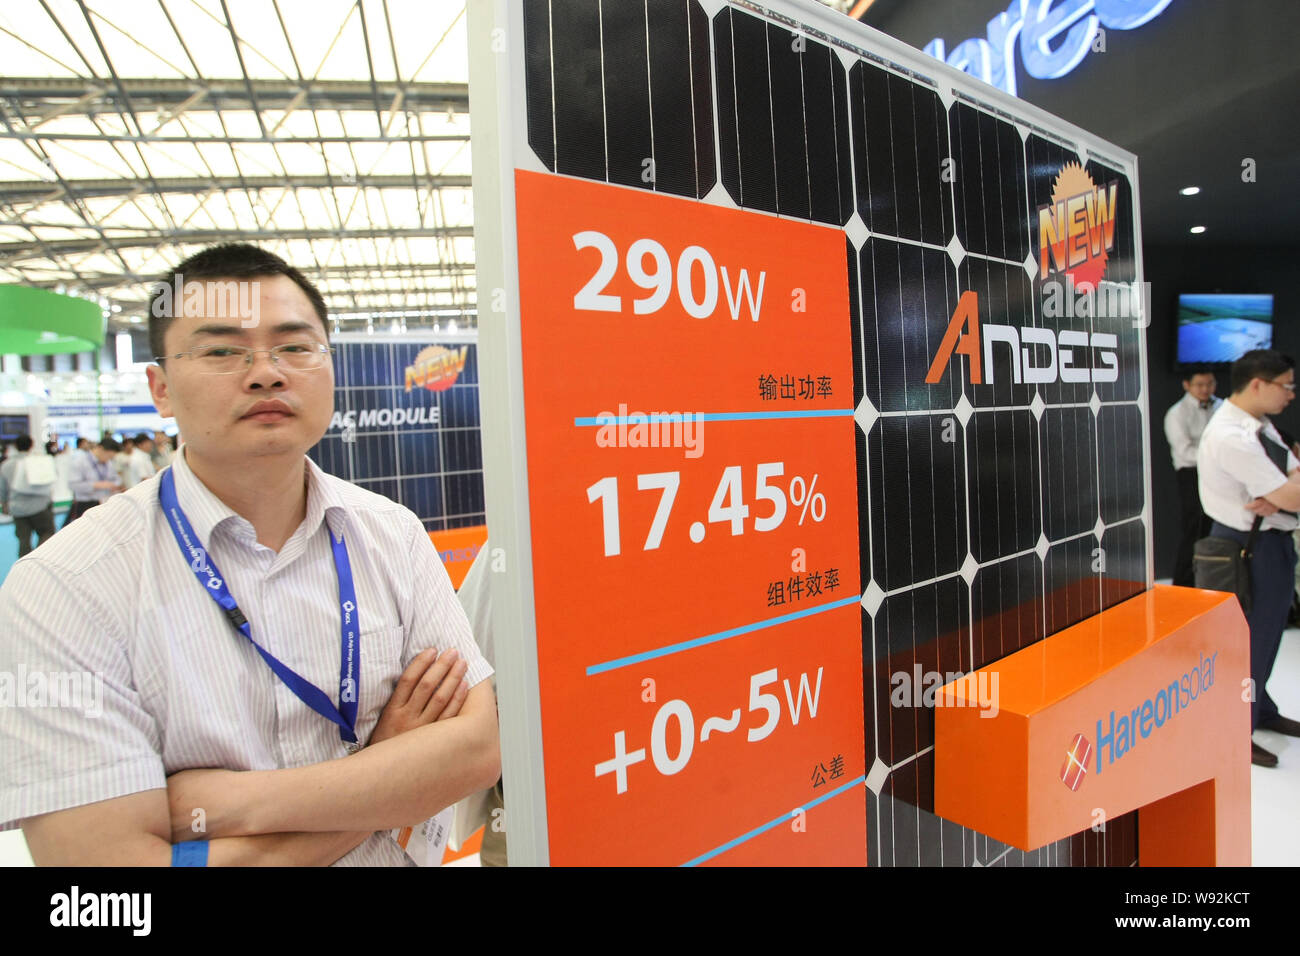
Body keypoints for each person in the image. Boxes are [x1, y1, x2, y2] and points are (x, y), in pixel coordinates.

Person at [0, 242, 499, 865]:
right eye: (222, 351)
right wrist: (383, 777)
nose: (267, 372)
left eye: (295, 346)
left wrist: (226, 808)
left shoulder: (391, 534)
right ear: (161, 388)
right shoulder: (65, 585)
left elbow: (476, 749)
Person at [1197, 349, 1300, 768]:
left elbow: (1291, 476)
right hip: (1246, 548)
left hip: (1270, 544)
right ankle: (1236, 728)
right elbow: (1294, 492)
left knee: (1270, 634)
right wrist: (1286, 490)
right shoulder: (1232, 436)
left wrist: (1283, 490)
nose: (1290, 395)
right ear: (1258, 384)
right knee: (1247, 643)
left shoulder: (1259, 426)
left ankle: (1262, 709)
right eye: (1286, 386)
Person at [1165, 368, 1221, 586]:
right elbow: (1184, 452)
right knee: (1194, 528)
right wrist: (1216, 457)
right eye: (1200, 384)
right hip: (1192, 474)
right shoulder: (1176, 413)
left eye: (1210, 383)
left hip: (1219, 473)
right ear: (1186, 385)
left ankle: (1214, 581)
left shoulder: (1222, 406)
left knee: (1217, 528)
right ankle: (1183, 583)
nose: (1205, 389)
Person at [0, 434, 57, 557]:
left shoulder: (7, 465)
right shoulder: (39, 460)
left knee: (23, 540)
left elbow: (2, 489)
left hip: (18, 508)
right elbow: (50, 481)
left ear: (15, 446)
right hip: (40, 506)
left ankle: (25, 569)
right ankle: (41, 560)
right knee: (46, 533)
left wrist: (4, 504)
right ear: (32, 445)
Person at [64, 438, 123, 525]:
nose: (109, 459)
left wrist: (113, 485)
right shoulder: (80, 461)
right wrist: (95, 485)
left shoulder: (108, 463)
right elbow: (72, 485)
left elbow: (117, 479)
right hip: (85, 505)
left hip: (103, 503)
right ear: (100, 449)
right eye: (109, 456)